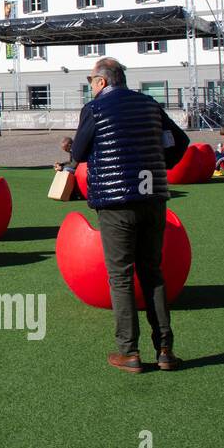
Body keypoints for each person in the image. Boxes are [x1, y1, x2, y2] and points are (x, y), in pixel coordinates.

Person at [71, 57, 189, 374]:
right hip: (153, 198)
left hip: (115, 201)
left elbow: (79, 153)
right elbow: (181, 140)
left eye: (90, 80)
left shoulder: (95, 109)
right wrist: (161, 164)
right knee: (153, 271)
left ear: (103, 82)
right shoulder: (149, 104)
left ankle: (129, 351)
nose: (90, 86)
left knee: (120, 275)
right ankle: (165, 349)